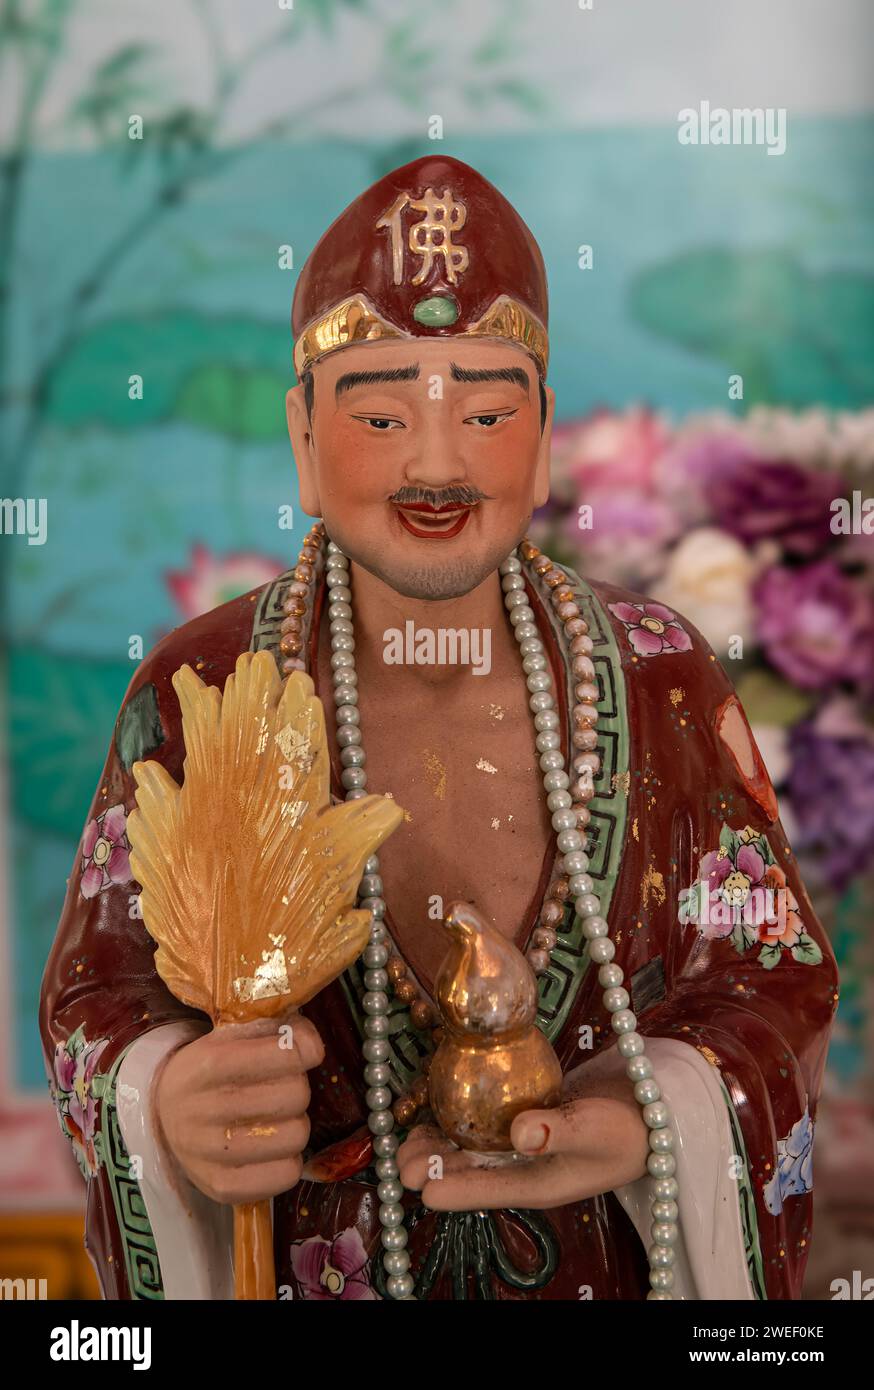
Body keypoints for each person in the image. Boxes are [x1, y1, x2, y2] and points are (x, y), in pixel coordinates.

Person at [40, 156, 837, 1301]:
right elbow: (96, 998)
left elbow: (773, 979)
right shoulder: (202, 686)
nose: (435, 462)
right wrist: (164, 1097)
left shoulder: (656, 681)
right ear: (304, 440)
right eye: (376, 412)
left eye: (485, 409)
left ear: (546, 435)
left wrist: (645, 1116)